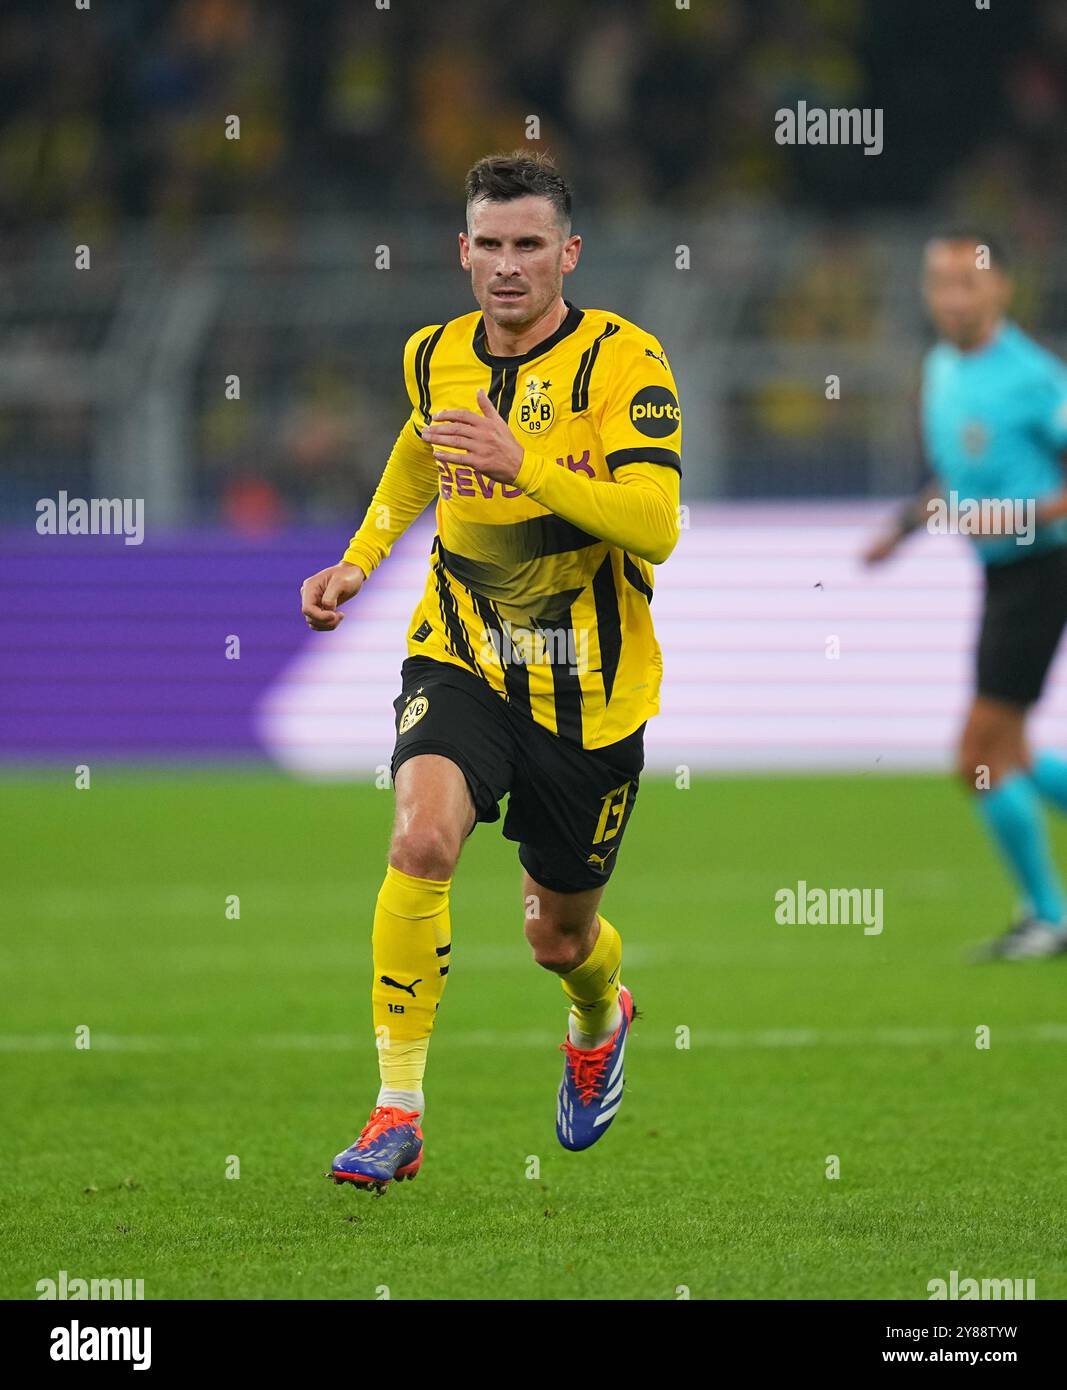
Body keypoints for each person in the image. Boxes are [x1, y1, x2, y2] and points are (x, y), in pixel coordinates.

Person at [300, 150, 682, 1189]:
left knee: (558, 939)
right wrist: (359, 558)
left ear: (568, 253)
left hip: (589, 696)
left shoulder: (624, 366)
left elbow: (656, 525)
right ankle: (395, 1111)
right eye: (490, 245)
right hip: (462, 654)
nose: (508, 266)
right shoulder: (435, 355)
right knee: (420, 838)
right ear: (460, 251)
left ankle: (600, 1019)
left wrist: (528, 465)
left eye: (529, 245)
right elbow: (419, 454)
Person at [864, 230, 1067, 961]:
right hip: (1000, 575)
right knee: (1008, 751)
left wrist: (1017, 515)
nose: (951, 297)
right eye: (939, 283)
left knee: (976, 757)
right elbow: (962, 482)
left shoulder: (1032, 377)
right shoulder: (943, 367)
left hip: (1042, 573)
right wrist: (902, 526)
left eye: (966, 283)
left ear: (1000, 289)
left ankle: (1048, 916)